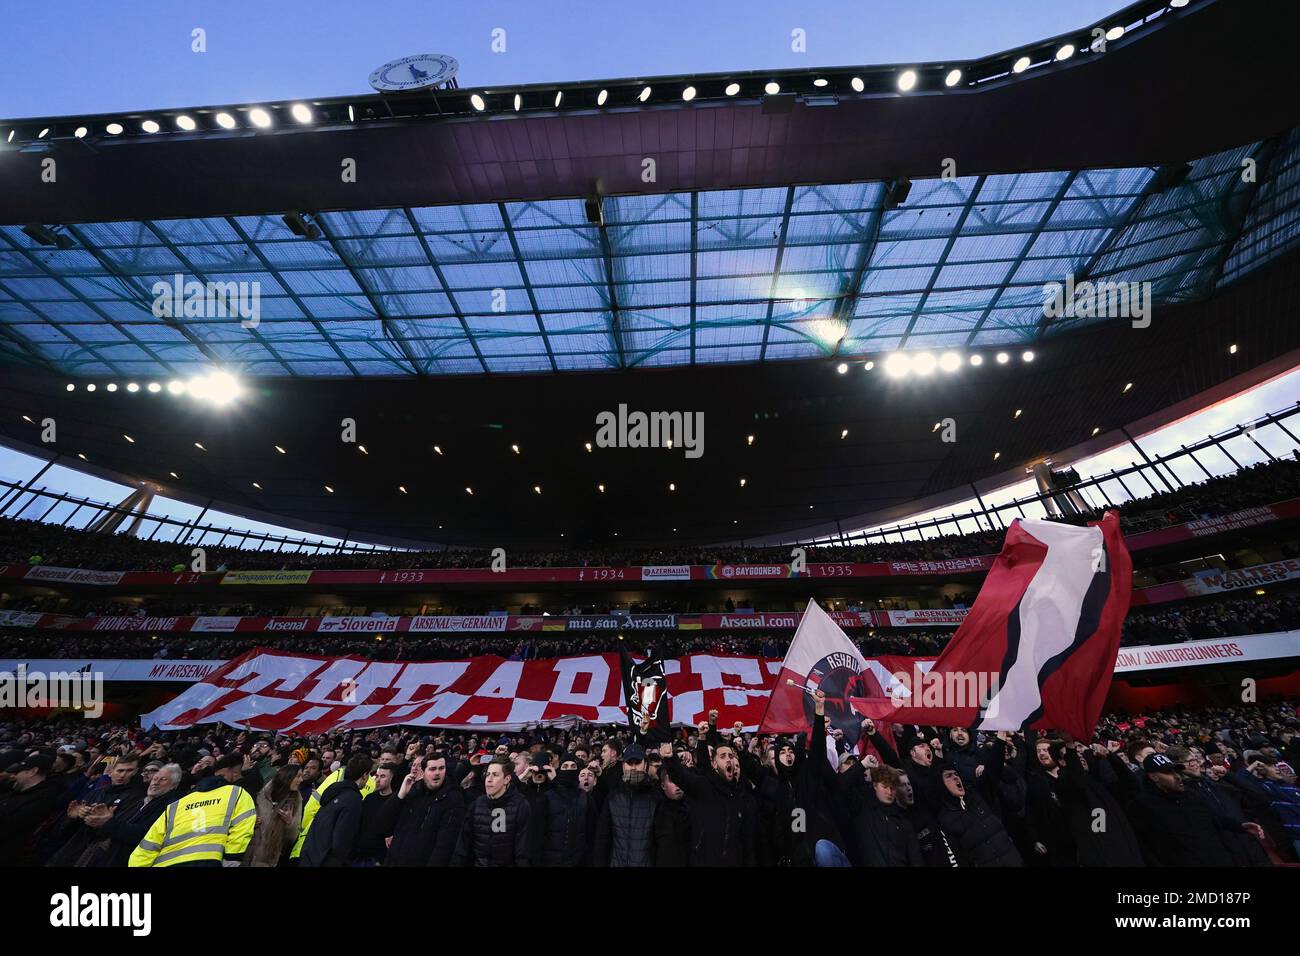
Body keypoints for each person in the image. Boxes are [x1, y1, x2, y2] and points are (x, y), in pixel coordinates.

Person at [129, 754, 256, 867]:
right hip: (208, 861)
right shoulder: (237, 793)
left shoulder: (178, 803)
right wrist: (231, 859)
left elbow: (149, 844)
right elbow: (242, 828)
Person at [1124, 753, 1240, 866]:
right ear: (1154, 777)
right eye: (1169, 772)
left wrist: (1240, 826)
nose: (1177, 776)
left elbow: (1214, 821)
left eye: (1176, 771)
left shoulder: (1191, 795)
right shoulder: (1142, 807)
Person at [660, 734, 757, 866]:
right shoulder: (704, 787)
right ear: (714, 764)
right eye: (723, 756)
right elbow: (682, 777)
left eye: (731, 756)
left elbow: (746, 842)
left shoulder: (740, 798)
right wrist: (670, 758)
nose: (728, 760)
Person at [45, 751, 144, 867]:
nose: (123, 775)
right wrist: (73, 817)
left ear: (137, 772)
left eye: (129, 771)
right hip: (71, 849)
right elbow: (66, 830)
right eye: (120, 770)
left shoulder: (138, 798)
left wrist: (108, 822)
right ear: (110, 772)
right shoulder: (96, 792)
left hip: (98, 856)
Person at [936, 734, 1023, 867]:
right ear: (941, 785)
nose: (955, 778)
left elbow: (993, 769)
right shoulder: (945, 818)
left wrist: (1000, 738)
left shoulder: (977, 795)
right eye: (949, 776)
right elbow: (955, 859)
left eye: (956, 774)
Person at [386, 752, 466, 867]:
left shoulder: (453, 798)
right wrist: (400, 796)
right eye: (433, 769)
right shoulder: (413, 790)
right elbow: (383, 826)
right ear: (423, 772)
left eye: (441, 768)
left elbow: (445, 846)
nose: (438, 773)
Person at [452, 756, 532, 866]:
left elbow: (522, 851)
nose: (489, 779)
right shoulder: (477, 804)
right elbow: (463, 845)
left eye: (495, 775)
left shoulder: (521, 805)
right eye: (487, 774)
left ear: (507, 779)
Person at [298, 753, 374, 867]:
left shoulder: (333, 791)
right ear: (365, 775)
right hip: (323, 861)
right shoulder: (353, 800)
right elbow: (341, 841)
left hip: (308, 854)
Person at [593, 743, 661, 867]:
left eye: (637, 763)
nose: (633, 767)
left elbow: (662, 842)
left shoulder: (656, 799)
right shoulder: (613, 798)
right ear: (624, 766)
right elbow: (603, 839)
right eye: (630, 763)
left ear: (645, 765)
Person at [0, 754, 63, 866]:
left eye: (18, 772)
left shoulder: (44, 798)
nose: (13, 776)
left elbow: (11, 826)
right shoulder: (15, 790)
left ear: (33, 771)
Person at [534, 755, 594, 866]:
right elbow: (537, 834)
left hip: (577, 860)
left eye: (573, 766)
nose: (569, 769)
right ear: (559, 770)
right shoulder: (547, 797)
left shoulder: (586, 798)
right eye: (565, 766)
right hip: (549, 860)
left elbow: (591, 833)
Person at [246, 765, 303, 867]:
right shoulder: (261, 793)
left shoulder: (296, 800)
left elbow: (291, 839)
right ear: (287, 777)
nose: (301, 780)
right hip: (247, 853)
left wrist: (290, 823)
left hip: (267, 858)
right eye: (298, 776)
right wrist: (250, 823)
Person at [353, 763, 400, 865]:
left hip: (378, 858)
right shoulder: (370, 798)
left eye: (382, 776)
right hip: (359, 855)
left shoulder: (397, 802)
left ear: (393, 778)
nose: (377, 780)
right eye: (377, 776)